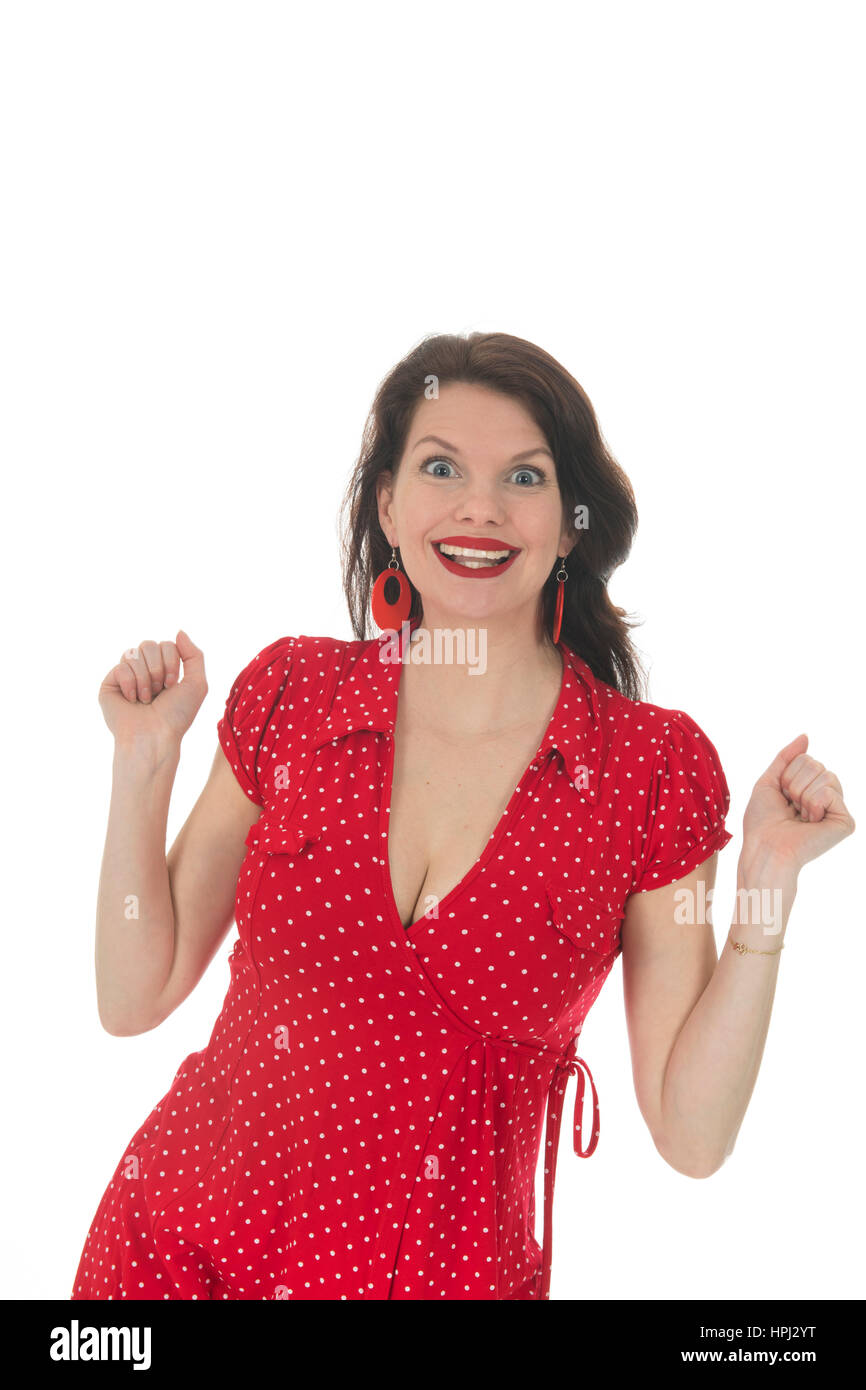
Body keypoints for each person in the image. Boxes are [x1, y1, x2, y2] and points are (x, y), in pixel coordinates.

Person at [71, 331, 855, 1301]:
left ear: (569, 523)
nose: (478, 505)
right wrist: (143, 761)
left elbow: (690, 1137)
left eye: (521, 476)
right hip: (170, 1260)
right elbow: (130, 995)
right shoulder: (293, 692)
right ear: (389, 506)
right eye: (440, 466)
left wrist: (764, 891)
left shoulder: (647, 770)